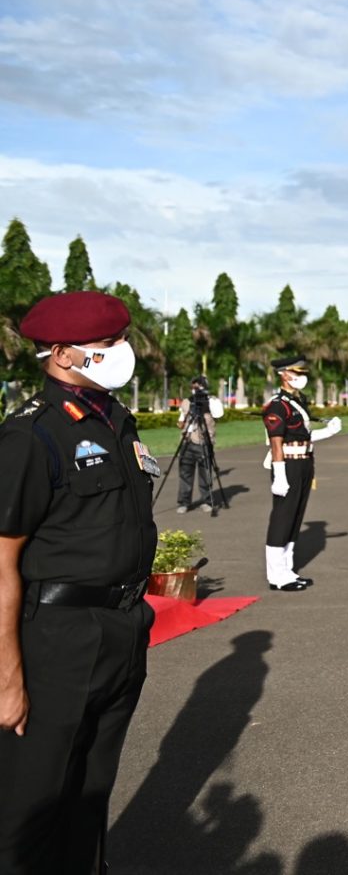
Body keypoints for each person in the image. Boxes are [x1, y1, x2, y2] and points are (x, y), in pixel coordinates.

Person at [0, 290, 158, 873]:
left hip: (122, 628)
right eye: (108, 343)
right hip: (58, 640)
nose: (123, 350)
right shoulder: (31, 435)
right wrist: (7, 677)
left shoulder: (116, 419)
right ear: (63, 354)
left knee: (90, 795)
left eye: (122, 339)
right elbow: (1, 561)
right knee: (31, 805)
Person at [261, 356, 341, 592]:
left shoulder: (298, 401)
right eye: (296, 372)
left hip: (304, 463)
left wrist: (328, 432)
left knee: (295, 518)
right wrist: (280, 475)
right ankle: (276, 575)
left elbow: (303, 437)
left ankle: (287, 570)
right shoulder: (278, 405)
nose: (301, 377)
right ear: (284, 374)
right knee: (282, 518)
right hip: (287, 465)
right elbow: (276, 442)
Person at [175, 374, 224, 514]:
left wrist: (206, 406)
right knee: (185, 474)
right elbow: (180, 422)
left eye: (198, 386)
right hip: (187, 442)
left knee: (205, 474)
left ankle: (206, 501)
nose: (195, 390)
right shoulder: (187, 402)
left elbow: (219, 415)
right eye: (194, 387)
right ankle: (184, 502)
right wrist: (184, 418)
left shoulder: (212, 402)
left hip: (204, 442)